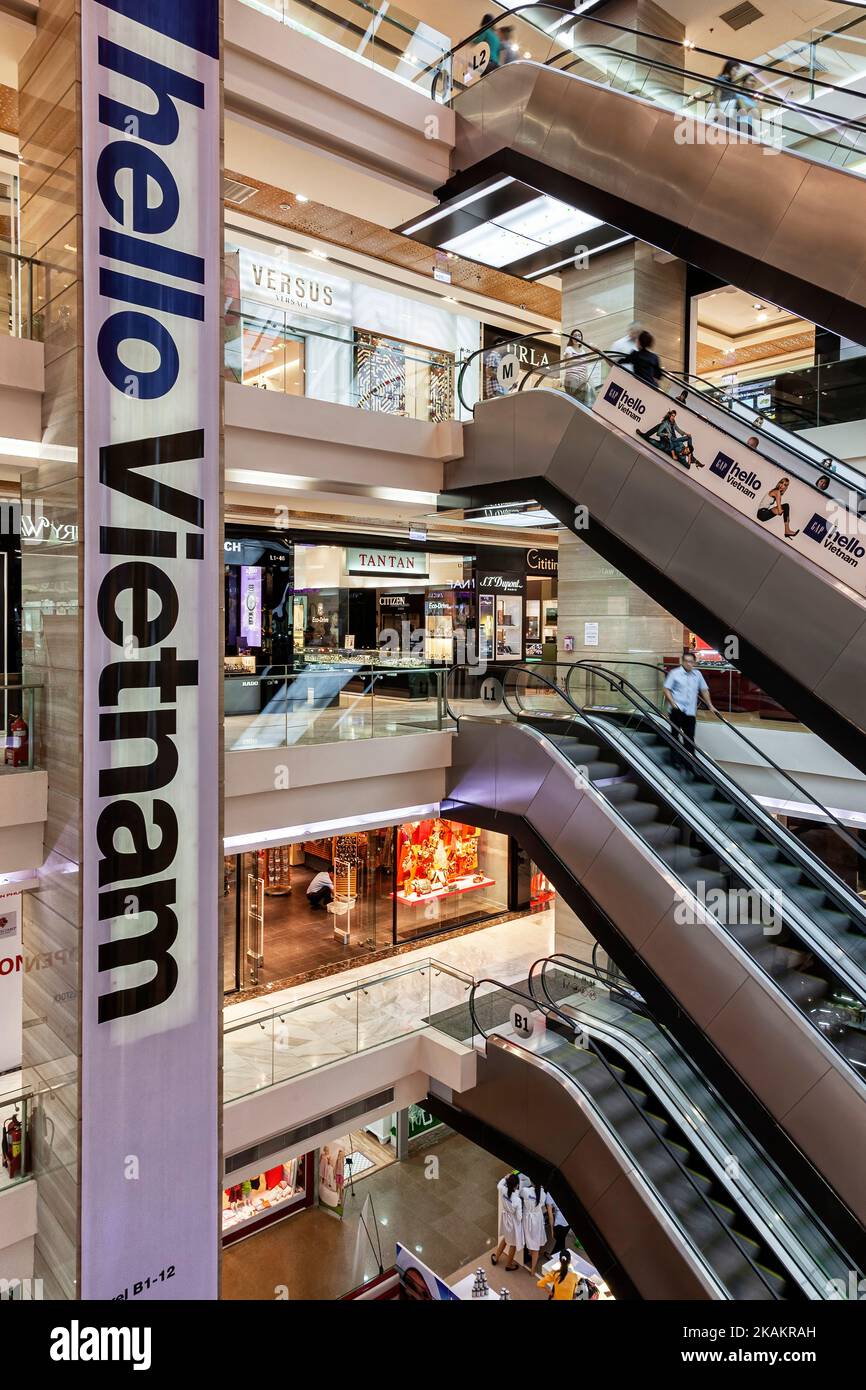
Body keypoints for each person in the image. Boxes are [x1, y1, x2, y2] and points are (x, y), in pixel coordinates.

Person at [663, 649, 718, 751]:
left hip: (690, 711)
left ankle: (690, 763)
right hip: (676, 710)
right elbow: (666, 689)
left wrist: (710, 705)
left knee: (689, 737)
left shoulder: (697, 674)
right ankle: (674, 760)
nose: (689, 664)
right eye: (686, 661)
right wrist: (674, 704)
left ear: (694, 662)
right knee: (675, 735)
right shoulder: (674, 673)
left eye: (691, 662)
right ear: (682, 662)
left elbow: (704, 690)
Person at [638, 409, 703, 469]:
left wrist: (688, 457)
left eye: (674, 416)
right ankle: (645, 435)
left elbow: (678, 430)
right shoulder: (680, 444)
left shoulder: (682, 457)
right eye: (672, 416)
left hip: (665, 445)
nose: (673, 417)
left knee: (653, 442)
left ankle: (692, 458)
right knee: (660, 427)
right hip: (669, 438)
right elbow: (665, 436)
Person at [492, 1172, 523, 1270]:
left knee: (505, 1238)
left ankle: (496, 1257)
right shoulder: (517, 1200)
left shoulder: (503, 1190)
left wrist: (505, 1177)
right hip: (513, 1223)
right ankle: (509, 1265)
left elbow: (499, 1185)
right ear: (517, 1185)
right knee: (513, 1244)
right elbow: (519, 1217)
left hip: (505, 1219)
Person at [521, 1180, 551, 1275]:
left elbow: (519, 1192)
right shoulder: (543, 1194)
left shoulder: (525, 1191)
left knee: (528, 1240)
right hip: (537, 1219)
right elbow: (541, 1204)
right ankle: (533, 1268)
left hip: (528, 1219)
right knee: (535, 1244)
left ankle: (531, 1253)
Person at [562, 330, 590, 403]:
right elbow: (570, 360)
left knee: (581, 401)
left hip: (582, 379)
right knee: (574, 400)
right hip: (572, 377)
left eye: (579, 335)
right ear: (571, 338)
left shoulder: (583, 351)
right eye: (575, 335)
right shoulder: (569, 348)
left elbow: (585, 367)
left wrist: (586, 378)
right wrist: (581, 362)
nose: (577, 337)